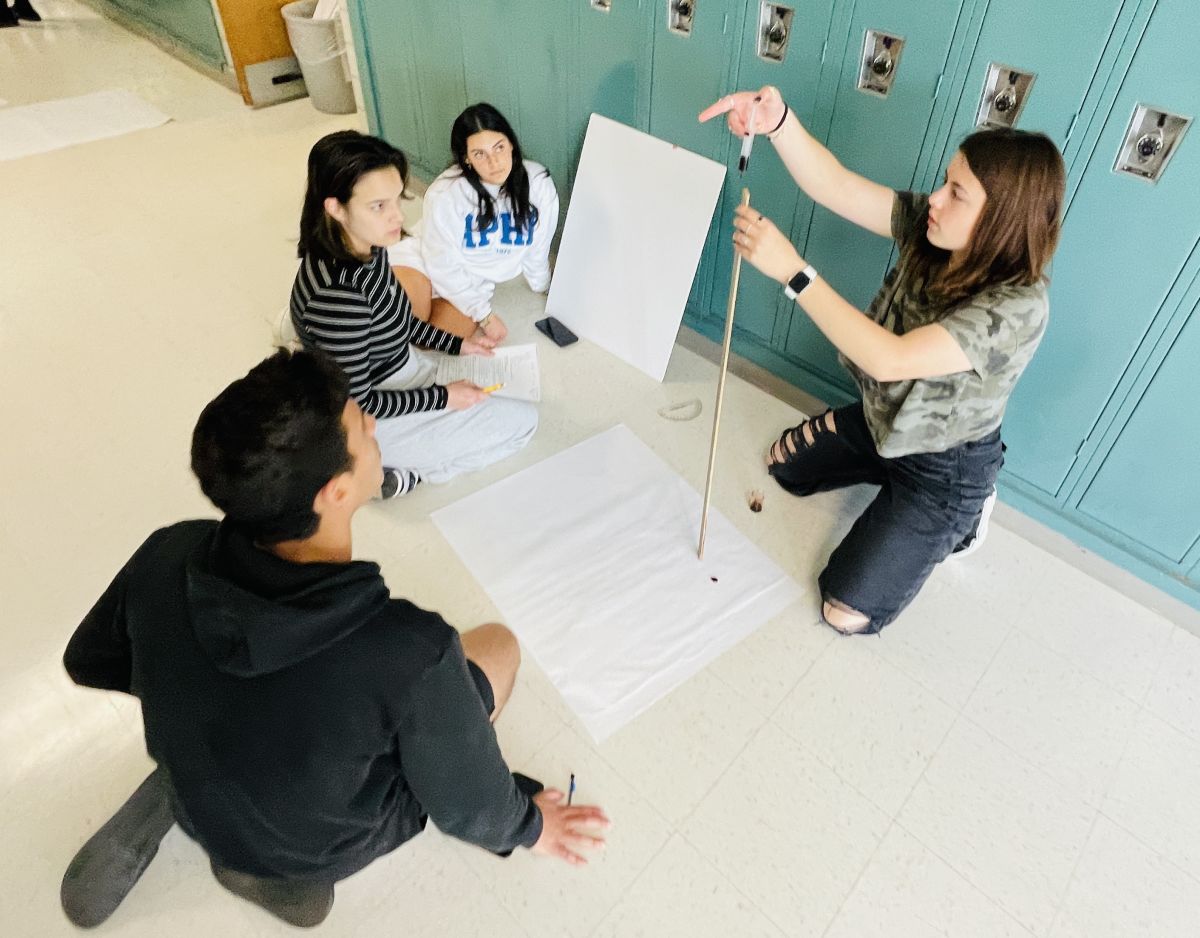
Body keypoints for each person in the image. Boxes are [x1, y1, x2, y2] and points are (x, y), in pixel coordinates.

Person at [59, 349, 609, 929]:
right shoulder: (407, 652)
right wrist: (534, 827)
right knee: (498, 648)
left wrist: (190, 698)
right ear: (335, 493)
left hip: (202, 790)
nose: (374, 424)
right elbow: (466, 804)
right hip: (310, 845)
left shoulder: (167, 551)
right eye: (361, 426)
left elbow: (89, 658)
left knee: (222, 735)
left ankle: (191, 775)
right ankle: (287, 880)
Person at [700, 86, 1065, 635]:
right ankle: (877, 457)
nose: (936, 199)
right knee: (782, 467)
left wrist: (793, 273)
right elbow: (835, 185)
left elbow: (892, 359)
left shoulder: (1019, 306)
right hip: (883, 420)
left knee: (843, 612)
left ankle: (964, 517)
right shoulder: (935, 228)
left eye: (956, 192)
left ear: (1002, 220)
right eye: (946, 182)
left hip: (945, 465)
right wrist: (778, 124)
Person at [290, 130, 537, 500]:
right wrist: (443, 397)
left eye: (396, 200)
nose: (397, 217)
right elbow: (362, 402)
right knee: (522, 425)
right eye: (378, 206)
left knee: (497, 392)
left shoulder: (365, 244)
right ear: (335, 208)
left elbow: (396, 319)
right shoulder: (339, 297)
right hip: (360, 416)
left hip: (395, 367)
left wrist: (457, 345)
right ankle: (393, 476)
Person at [388, 102, 559, 343]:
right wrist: (485, 316)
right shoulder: (445, 194)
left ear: (511, 143)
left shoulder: (539, 184)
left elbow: (538, 249)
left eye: (499, 147)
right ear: (466, 159)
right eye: (480, 154)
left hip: (473, 279)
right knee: (400, 323)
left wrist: (546, 289)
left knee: (431, 341)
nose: (494, 161)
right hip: (427, 261)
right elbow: (441, 262)